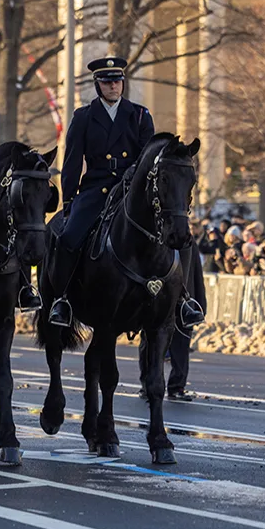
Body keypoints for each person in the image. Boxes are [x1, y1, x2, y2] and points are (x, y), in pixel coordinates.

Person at [45, 57, 154, 327]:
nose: (113, 87)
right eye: (107, 82)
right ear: (98, 85)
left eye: (117, 81)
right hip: (96, 188)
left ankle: (181, 300)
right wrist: (69, 200)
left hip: (130, 191)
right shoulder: (83, 117)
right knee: (69, 238)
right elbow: (71, 162)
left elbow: (149, 157)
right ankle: (63, 299)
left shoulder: (140, 115)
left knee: (169, 235)